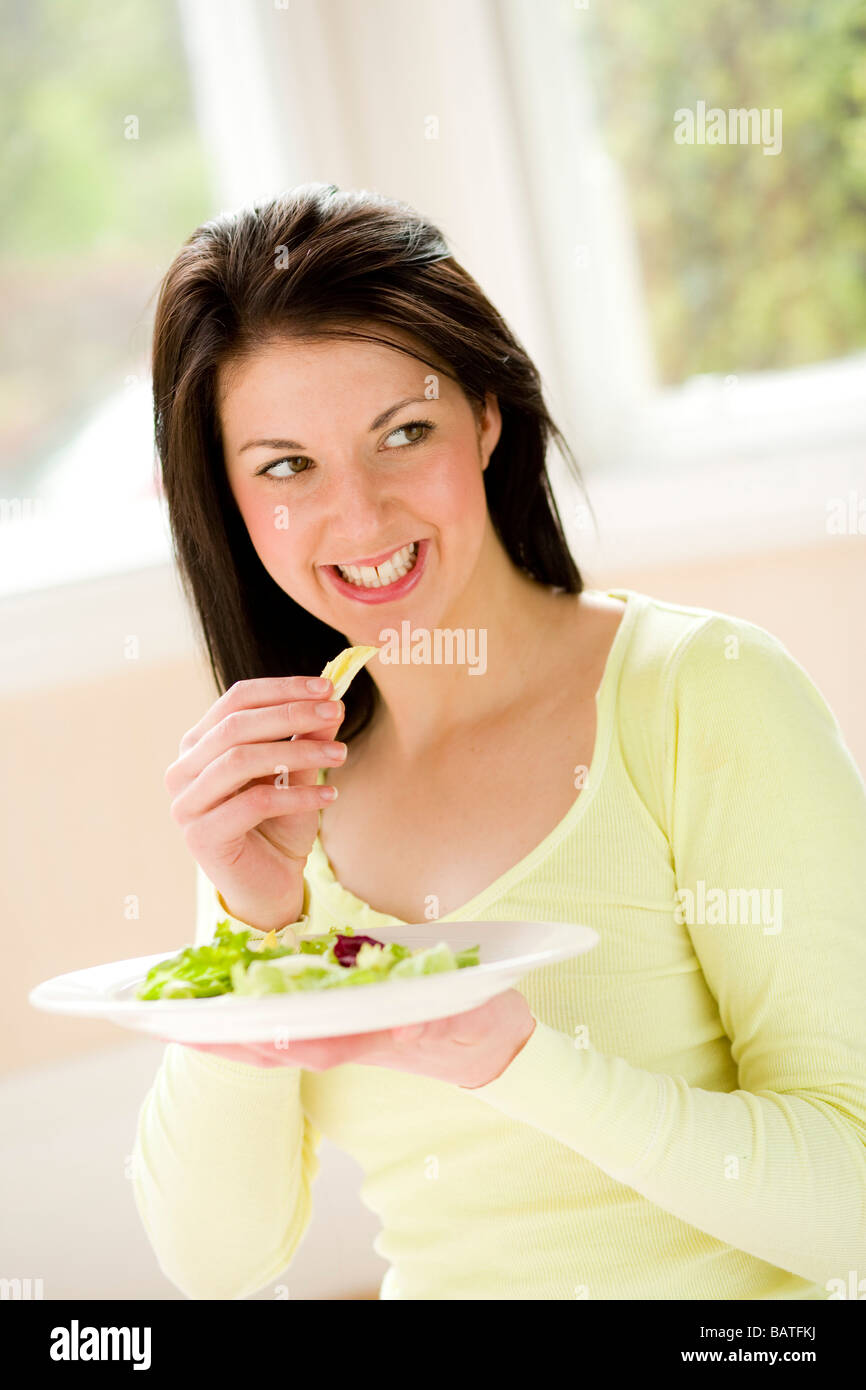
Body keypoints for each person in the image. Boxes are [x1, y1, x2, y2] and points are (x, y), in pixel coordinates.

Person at [131, 183, 866, 1301]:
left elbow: (849, 1207)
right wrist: (246, 924)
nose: (362, 517)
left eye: (402, 433)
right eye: (286, 466)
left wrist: (517, 1061)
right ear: (226, 497)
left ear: (485, 416)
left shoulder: (700, 697)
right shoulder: (279, 791)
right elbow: (215, 1261)